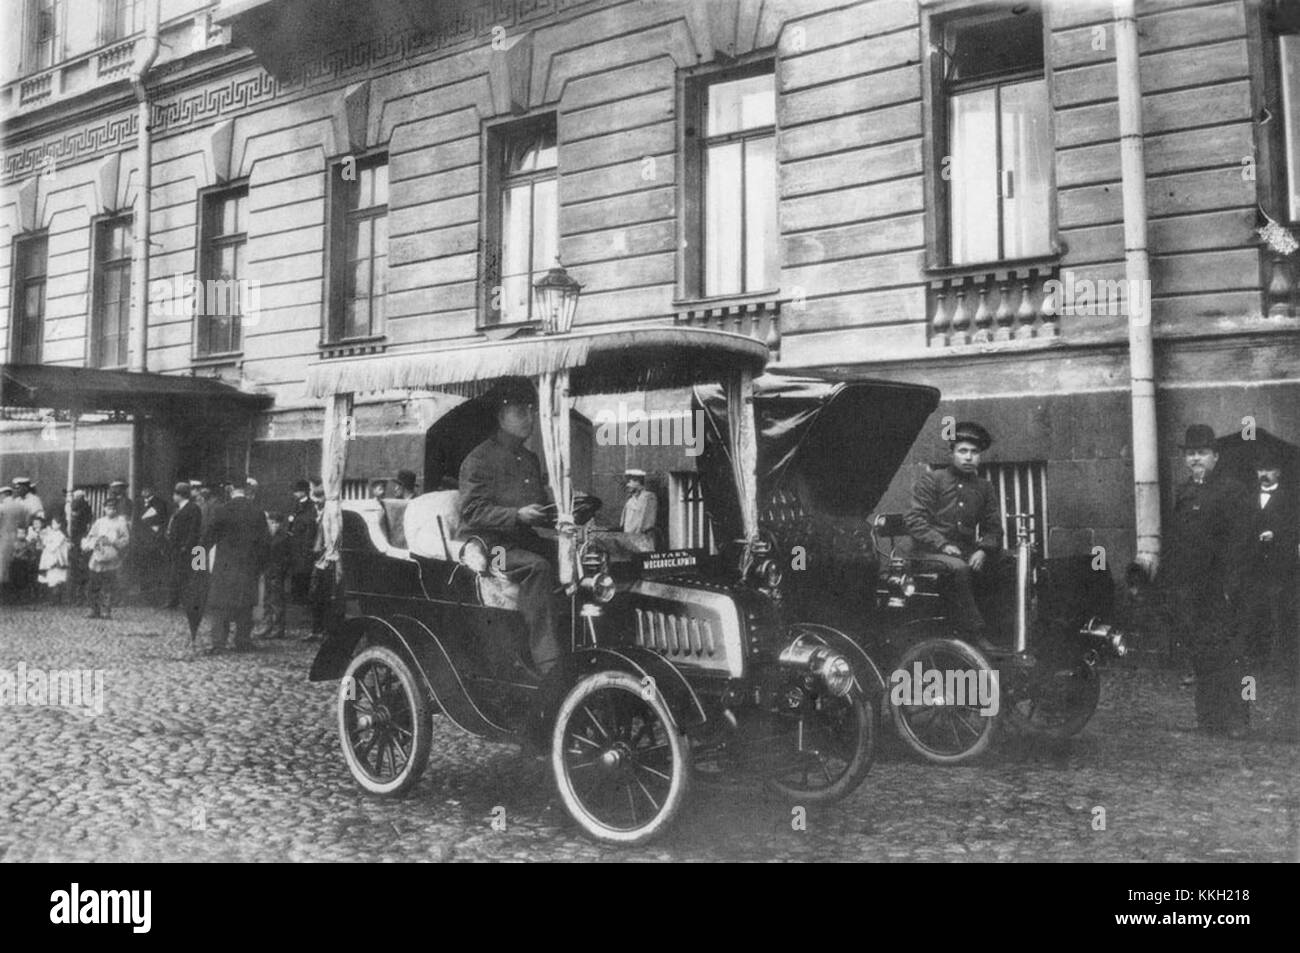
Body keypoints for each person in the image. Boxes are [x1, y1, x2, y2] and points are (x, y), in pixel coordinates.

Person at [458, 379, 561, 676]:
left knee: (576, 558)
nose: (529, 418)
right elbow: (473, 511)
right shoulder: (478, 459)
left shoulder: (528, 459)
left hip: (522, 540)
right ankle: (547, 662)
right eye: (520, 411)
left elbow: (536, 510)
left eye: (531, 410)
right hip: (491, 549)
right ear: (501, 417)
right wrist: (517, 515)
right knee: (537, 568)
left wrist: (560, 510)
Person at [1164, 424, 1252, 737]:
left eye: (1202, 453)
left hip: (1222, 587)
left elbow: (1240, 540)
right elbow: (1177, 540)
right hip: (1192, 587)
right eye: (1190, 454)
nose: (1196, 459)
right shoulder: (1184, 492)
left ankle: (1238, 719)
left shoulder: (1231, 490)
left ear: (1215, 456)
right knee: (1202, 653)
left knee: (1230, 655)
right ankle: (1209, 719)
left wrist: (1231, 584)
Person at [904, 421, 1004, 642]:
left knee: (1006, 561)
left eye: (975, 452)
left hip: (964, 552)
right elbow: (915, 520)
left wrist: (983, 550)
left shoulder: (984, 487)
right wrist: (942, 544)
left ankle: (1002, 630)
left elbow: (994, 527)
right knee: (958, 568)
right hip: (927, 553)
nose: (969, 457)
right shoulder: (933, 479)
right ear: (952, 453)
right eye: (963, 451)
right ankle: (975, 633)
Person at [1237, 446, 1298, 675]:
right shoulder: (1248, 496)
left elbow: (1295, 528)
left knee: (1279, 611)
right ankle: (1255, 659)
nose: (1264, 474)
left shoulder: (1291, 497)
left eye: (1269, 469)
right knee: (1253, 609)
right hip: (1253, 565)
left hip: (1280, 565)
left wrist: (1277, 535)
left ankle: (1280, 662)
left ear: (1279, 472)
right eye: (1261, 469)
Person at [200, 478, 269, 654]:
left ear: (231, 490)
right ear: (246, 490)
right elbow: (265, 544)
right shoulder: (257, 511)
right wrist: (260, 567)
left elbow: (206, 539)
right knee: (245, 605)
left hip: (225, 567)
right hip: (248, 568)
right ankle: (243, 641)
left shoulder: (221, 510)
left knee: (220, 605)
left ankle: (219, 643)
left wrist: (197, 565)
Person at [166, 481, 206, 641]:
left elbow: (193, 531)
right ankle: (181, 601)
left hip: (188, 552)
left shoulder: (193, 508)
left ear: (179, 494)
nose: (173, 496)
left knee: (188, 578)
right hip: (177, 550)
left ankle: (189, 604)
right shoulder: (179, 509)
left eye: (175, 493)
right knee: (178, 576)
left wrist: (185, 547)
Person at [83, 497, 130, 619]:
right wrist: (95, 542)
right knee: (93, 584)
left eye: (113, 508)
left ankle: (106, 610)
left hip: (111, 556)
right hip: (98, 555)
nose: (111, 510)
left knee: (108, 586)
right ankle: (93, 609)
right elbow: (91, 536)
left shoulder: (121, 522)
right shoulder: (99, 522)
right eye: (108, 508)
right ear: (104, 508)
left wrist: (114, 541)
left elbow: (126, 539)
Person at [253, 511, 290, 640]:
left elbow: (287, 557)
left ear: (278, 523)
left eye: (274, 522)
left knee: (277, 601)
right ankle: (267, 626)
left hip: (277, 572)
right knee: (267, 600)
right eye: (271, 522)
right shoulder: (267, 536)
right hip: (268, 571)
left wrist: (280, 570)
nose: (272, 525)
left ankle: (279, 628)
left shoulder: (284, 537)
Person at [137, 483, 170, 605]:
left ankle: (155, 597)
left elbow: (163, 520)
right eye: (143, 489)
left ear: (152, 490)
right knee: (143, 568)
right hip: (142, 541)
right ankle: (144, 597)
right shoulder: (139, 503)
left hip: (154, 541)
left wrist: (157, 533)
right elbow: (136, 522)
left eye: (147, 489)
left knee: (155, 568)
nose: (144, 492)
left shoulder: (160, 503)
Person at [287, 479, 317, 604]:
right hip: (294, 545)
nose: (295, 493)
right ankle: (296, 598)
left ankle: (302, 599)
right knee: (295, 573)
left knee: (303, 573)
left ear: (304, 492)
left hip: (304, 546)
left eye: (297, 491)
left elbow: (310, 527)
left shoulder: (311, 507)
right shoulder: (295, 505)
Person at [68, 489, 93, 604]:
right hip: (74, 540)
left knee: (81, 569)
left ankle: (81, 596)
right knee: (75, 569)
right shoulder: (72, 508)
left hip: (80, 539)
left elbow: (85, 523)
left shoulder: (84, 508)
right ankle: (76, 596)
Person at [38, 514, 70, 604]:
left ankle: (56, 599)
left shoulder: (61, 535)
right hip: (49, 557)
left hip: (56, 558)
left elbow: (54, 546)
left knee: (56, 578)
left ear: (59, 525)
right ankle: (51, 598)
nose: (53, 525)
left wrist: (48, 543)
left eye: (55, 523)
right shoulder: (50, 533)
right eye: (52, 523)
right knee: (49, 578)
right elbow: (45, 542)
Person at [0, 486, 24, 603]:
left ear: (3, 494)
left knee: (2, 568)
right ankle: (14, 596)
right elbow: (24, 523)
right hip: (17, 538)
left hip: (3, 538)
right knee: (15, 565)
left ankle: (3, 597)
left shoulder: (2, 507)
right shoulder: (20, 506)